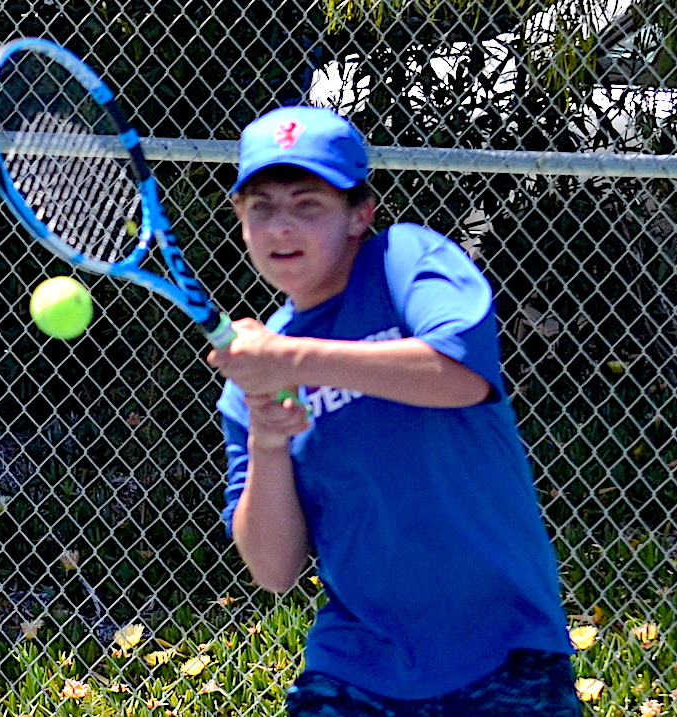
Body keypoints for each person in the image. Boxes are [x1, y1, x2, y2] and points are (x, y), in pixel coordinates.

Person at [207, 105, 580, 716]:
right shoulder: (252, 378)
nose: (281, 227)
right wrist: (269, 442)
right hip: (356, 663)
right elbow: (274, 570)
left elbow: (460, 375)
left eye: (308, 204)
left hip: (505, 647)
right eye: (262, 207)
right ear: (242, 221)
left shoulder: (404, 260)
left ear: (360, 214)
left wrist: (293, 360)